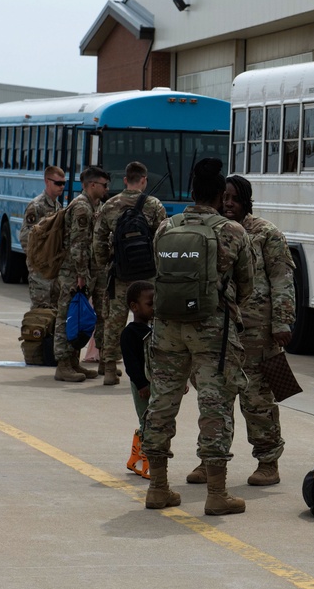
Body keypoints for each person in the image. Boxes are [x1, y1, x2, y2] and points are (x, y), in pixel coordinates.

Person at [141, 158, 253, 516]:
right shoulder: (233, 231)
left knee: (161, 403)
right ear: (221, 196)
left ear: (191, 193)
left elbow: (158, 273)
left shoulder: (165, 227)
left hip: (167, 327)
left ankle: (158, 488)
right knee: (215, 405)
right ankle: (217, 494)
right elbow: (247, 285)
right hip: (212, 331)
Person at [183, 175, 295, 487]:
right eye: (225, 197)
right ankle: (210, 460)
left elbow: (282, 278)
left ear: (246, 200)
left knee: (257, 398)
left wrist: (282, 322)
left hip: (256, 331)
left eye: (235, 198)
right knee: (214, 398)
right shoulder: (208, 230)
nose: (229, 203)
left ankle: (267, 461)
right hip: (215, 331)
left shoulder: (265, 233)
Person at [93, 161, 167, 384]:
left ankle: (108, 369)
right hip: (148, 274)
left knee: (114, 320)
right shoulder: (154, 205)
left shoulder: (110, 205)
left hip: (120, 273)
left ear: (125, 180)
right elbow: (163, 238)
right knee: (152, 319)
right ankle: (152, 367)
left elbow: (98, 240)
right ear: (144, 180)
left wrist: (107, 263)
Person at [53, 167, 110, 383]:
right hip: (75, 272)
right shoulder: (81, 208)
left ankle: (74, 362)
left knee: (82, 316)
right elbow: (78, 243)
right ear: (92, 185)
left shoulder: (96, 205)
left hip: (91, 269)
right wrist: (81, 274)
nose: (107, 189)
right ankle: (63, 365)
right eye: (104, 185)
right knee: (68, 315)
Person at [120, 280, 155, 479]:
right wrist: (141, 383)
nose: (154, 308)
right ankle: (146, 460)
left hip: (158, 383)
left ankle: (137, 458)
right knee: (147, 421)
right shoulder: (130, 333)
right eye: (149, 304)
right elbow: (131, 363)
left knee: (156, 421)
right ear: (134, 306)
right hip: (142, 385)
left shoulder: (157, 330)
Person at [19, 166, 65, 310]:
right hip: (40, 272)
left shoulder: (58, 207)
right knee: (39, 314)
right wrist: (38, 260)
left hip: (53, 270)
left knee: (53, 313)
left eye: (64, 183)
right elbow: (25, 237)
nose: (62, 187)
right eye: (58, 183)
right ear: (47, 181)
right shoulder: (36, 206)